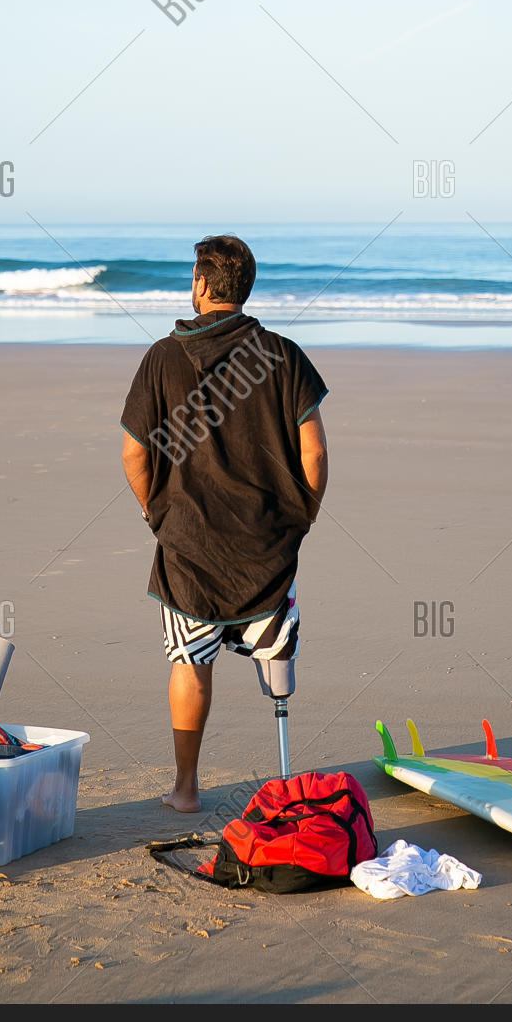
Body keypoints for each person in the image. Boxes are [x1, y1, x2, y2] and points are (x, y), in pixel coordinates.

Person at [120, 234, 328, 812]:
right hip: (267, 543)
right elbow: (313, 454)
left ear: (203, 285)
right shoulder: (283, 354)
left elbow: (133, 455)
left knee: (190, 665)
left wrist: (153, 511)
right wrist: (301, 519)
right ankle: (286, 779)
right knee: (276, 655)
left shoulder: (163, 357)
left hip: (188, 545)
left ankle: (185, 790)